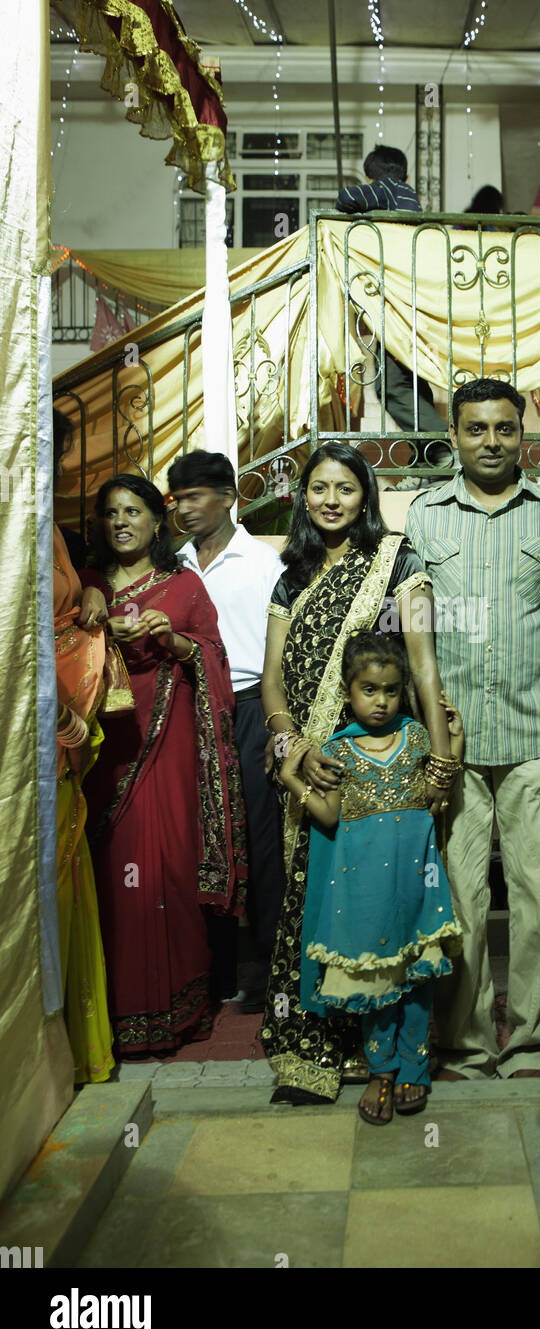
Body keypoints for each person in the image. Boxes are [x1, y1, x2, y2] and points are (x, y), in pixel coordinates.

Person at [405, 377, 540, 1080]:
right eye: (476, 429)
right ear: (453, 435)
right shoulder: (425, 516)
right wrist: (426, 731)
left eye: (504, 429)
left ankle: (537, 1044)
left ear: (523, 435)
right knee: (456, 901)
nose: (491, 442)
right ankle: (463, 1042)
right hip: (450, 747)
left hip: (539, 736)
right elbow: (412, 626)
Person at [260, 441, 454, 1105]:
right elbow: (273, 680)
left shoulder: (400, 563)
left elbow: (424, 665)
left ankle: (393, 1054)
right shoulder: (292, 577)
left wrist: (439, 754)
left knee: (381, 906)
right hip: (316, 763)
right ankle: (317, 1047)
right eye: (319, 488)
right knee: (314, 900)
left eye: (345, 488)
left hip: (386, 765)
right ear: (304, 498)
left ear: (365, 496)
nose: (332, 500)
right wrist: (289, 746)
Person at [83, 475, 246, 1054]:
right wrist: (94, 620)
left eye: (133, 511)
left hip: (170, 746)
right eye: (109, 513)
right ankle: (116, 1015)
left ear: (158, 521)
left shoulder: (183, 586)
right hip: (107, 753)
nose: (120, 522)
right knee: (114, 874)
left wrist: (175, 641)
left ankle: (178, 1007)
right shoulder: (85, 587)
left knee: (168, 869)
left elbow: (216, 660)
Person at [278, 631, 463, 1124]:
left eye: (391, 690)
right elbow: (330, 816)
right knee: (375, 981)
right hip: (363, 892)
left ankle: (414, 1070)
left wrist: (456, 743)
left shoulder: (417, 737)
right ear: (346, 691)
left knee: (417, 977)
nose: (381, 702)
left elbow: (431, 799)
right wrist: (293, 779)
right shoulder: (337, 749)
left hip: (416, 885)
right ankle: (381, 1070)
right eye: (368, 690)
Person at [169, 450, 284, 1012]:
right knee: (203, 835)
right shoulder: (175, 564)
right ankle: (211, 969)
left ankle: (266, 963)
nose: (184, 508)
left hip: (249, 704)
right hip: (191, 707)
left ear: (228, 497)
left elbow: (278, 654)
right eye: (178, 498)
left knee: (260, 834)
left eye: (195, 496)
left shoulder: (262, 564)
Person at [52, 413, 114, 1084]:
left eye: (57, 452)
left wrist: (92, 588)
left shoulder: (53, 528)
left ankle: (72, 1052)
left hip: (73, 727)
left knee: (72, 875)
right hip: (37, 731)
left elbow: (72, 596)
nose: (58, 466)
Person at [335, 144, 449, 451]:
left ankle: (441, 451)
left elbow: (345, 198)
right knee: (412, 385)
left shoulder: (387, 188)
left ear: (371, 176)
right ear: (407, 173)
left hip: (397, 305)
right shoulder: (409, 197)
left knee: (390, 386)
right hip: (412, 302)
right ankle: (425, 461)